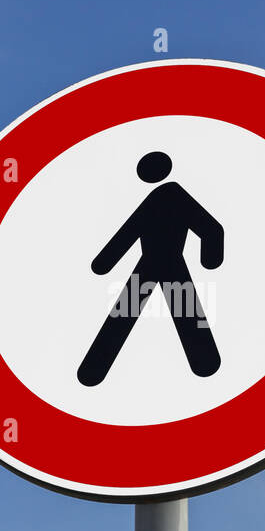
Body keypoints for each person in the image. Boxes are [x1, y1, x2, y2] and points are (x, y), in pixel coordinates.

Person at [77, 151, 223, 387]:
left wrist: (211, 258)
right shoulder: (159, 198)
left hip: (167, 262)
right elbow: (129, 232)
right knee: (128, 315)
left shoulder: (172, 195)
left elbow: (211, 229)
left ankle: (206, 363)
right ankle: (92, 371)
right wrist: (103, 263)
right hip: (155, 263)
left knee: (135, 314)